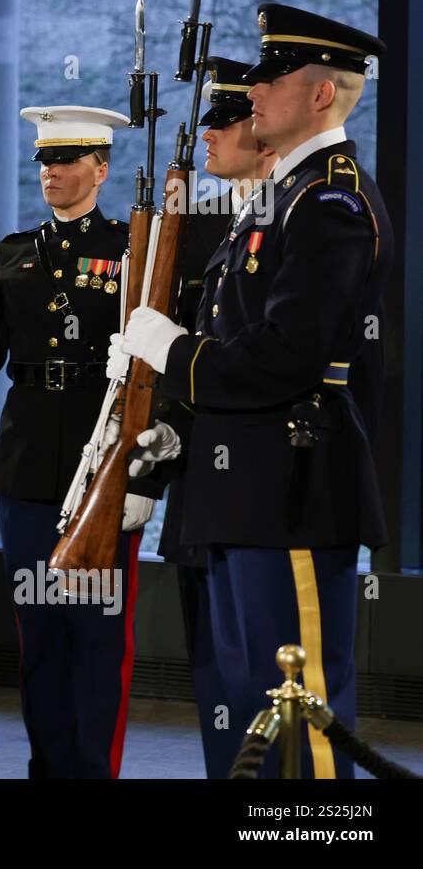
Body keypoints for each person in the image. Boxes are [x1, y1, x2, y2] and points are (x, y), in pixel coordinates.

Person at [115, 3, 391, 778]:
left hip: (296, 490)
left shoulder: (330, 202)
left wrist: (172, 351)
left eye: (271, 79)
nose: (253, 91)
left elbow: (285, 357)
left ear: (320, 96)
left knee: (297, 713)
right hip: (250, 492)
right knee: (249, 718)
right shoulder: (284, 199)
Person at [0, 105, 160, 778]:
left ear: (100, 170)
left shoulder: (134, 252)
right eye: (44, 161)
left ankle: (94, 772)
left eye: (68, 161)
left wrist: (138, 471)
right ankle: (49, 767)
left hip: (99, 464)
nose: (52, 172)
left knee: (97, 634)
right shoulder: (14, 251)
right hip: (27, 466)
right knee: (39, 631)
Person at [156, 56, 277, 777]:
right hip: (200, 479)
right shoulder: (213, 226)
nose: (207, 138)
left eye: (223, 123)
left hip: (255, 482)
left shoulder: (285, 219)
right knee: (215, 678)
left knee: (262, 679)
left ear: (260, 132)